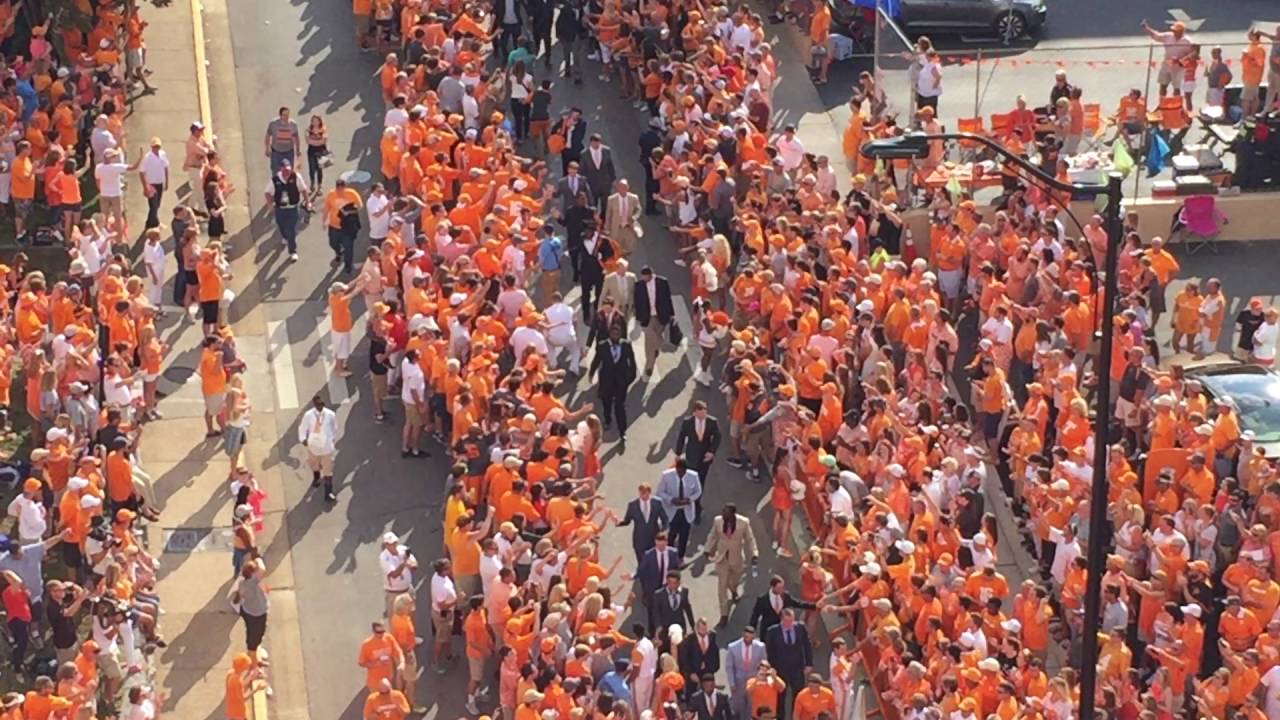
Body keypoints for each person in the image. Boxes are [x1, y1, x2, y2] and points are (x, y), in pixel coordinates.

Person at [703, 504, 759, 627]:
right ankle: (724, 615)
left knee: (734, 580)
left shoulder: (743, 522)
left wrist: (754, 554)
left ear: (733, 513)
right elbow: (712, 536)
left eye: (726, 512)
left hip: (737, 558)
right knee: (722, 587)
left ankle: (734, 590)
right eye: (723, 511)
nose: (723, 514)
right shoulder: (718, 521)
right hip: (722, 558)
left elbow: (750, 539)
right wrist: (707, 549)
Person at [588, 324, 636, 440]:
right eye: (613, 334)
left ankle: (622, 431)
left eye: (617, 334)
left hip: (621, 382)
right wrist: (591, 373)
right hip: (607, 380)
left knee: (620, 406)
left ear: (620, 334)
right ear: (609, 334)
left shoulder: (626, 345)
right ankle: (608, 420)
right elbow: (597, 360)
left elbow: (632, 361)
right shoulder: (602, 345)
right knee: (607, 403)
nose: (615, 336)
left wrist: (630, 378)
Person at [674, 401, 722, 520]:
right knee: (690, 481)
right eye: (700, 414)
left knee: (700, 482)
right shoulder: (687, 422)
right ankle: (687, 503)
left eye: (704, 413)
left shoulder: (712, 422)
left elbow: (717, 437)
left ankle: (697, 508)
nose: (702, 416)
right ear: (694, 413)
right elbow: (681, 437)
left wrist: (711, 452)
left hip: (704, 459)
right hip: (691, 457)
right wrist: (678, 453)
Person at [764, 610, 813, 720]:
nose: (790, 624)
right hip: (780, 669)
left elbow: (807, 645)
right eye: (787, 621)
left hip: (797, 668)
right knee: (780, 696)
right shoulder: (772, 631)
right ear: (782, 620)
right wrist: (771, 668)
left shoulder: (800, 628)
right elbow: (769, 651)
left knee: (798, 695)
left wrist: (809, 663)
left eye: (792, 621)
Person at [656, 457, 702, 559]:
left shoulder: (694, 476)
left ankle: (680, 556)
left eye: (683, 471)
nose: (681, 473)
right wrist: (671, 499)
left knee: (684, 535)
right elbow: (660, 492)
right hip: (672, 511)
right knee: (671, 534)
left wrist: (689, 499)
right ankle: (669, 555)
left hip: (686, 511)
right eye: (679, 471)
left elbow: (698, 491)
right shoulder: (666, 476)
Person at [265, 158, 310, 261]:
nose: (287, 173)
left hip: (293, 209)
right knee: (281, 225)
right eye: (285, 170)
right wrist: (270, 204)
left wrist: (307, 201)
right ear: (281, 169)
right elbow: (267, 192)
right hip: (280, 209)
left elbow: (303, 189)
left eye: (288, 170)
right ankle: (285, 237)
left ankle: (292, 251)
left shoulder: (296, 177)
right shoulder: (275, 180)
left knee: (291, 230)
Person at [634, 266, 675, 377]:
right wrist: (638, 318)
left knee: (658, 337)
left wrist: (671, 314)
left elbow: (668, 298)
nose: (643, 279)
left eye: (645, 276)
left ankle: (656, 348)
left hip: (660, 316)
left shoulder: (662, 282)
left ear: (650, 275)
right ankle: (649, 365)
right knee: (649, 340)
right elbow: (637, 302)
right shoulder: (638, 285)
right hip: (647, 318)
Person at [298, 395, 339, 502]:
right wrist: (303, 439)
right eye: (317, 404)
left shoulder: (330, 414)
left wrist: (331, 439)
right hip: (313, 447)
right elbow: (302, 428)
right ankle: (316, 477)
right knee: (314, 464)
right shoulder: (308, 415)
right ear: (314, 405)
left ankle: (328, 493)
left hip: (326, 448)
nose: (319, 406)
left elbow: (334, 428)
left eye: (321, 404)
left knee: (328, 471)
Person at [618, 483, 667, 563]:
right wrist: (618, 522)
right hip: (639, 540)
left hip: (654, 539)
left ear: (649, 493)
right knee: (642, 564)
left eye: (646, 494)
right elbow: (627, 521)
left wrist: (663, 532)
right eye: (642, 494)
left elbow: (665, 519)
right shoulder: (632, 505)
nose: (644, 496)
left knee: (655, 563)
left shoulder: (657, 503)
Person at [139, 137, 170, 230]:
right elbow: (141, 172)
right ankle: (151, 225)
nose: (156, 148)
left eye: (158, 146)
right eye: (155, 146)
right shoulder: (147, 158)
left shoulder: (163, 154)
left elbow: (166, 168)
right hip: (151, 185)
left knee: (157, 205)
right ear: (151, 147)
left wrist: (167, 182)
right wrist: (145, 187)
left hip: (160, 183)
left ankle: (153, 223)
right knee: (153, 205)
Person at [265, 106, 302, 173]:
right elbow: (268, 135)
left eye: (287, 115)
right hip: (276, 152)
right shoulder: (273, 124)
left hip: (289, 152)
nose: (286, 117)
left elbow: (296, 138)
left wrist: (298, 151)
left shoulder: (293, 124)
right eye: (284, 115)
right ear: (280, 115)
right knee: (276, 172)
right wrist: (267, 148)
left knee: (289, 172)